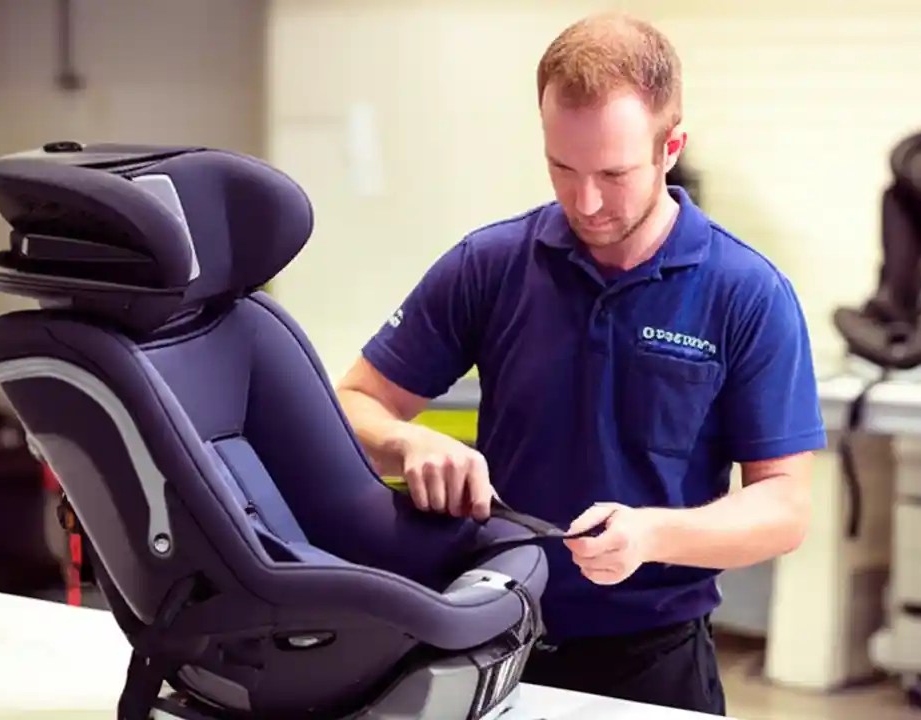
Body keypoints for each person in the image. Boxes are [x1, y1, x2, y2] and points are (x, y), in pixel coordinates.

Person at [335, 12, 825, 716]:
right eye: (562, 168)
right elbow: (352, 403)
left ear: (670, 147)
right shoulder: (490, 265)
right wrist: (407, 439)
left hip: (652, 660)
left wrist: (654, 533)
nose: (586, 202)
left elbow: (785, 507)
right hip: (486, 638)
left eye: (614, 174)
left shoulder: (745, 293)